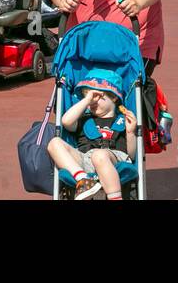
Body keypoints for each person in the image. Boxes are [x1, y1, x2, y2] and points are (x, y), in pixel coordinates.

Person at [46, 70, 138, 200]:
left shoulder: (122, 121)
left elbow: (132, 155)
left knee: (99, 155)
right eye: (88, 96)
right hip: (85, 159)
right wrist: (87, 100)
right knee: (54, 143)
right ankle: (83, 180)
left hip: (113, 159)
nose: (92, 101)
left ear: (114, 97)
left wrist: (130, 132)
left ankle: (115, 198)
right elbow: (66, 121)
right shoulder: (84, 119)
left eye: (97, 96)